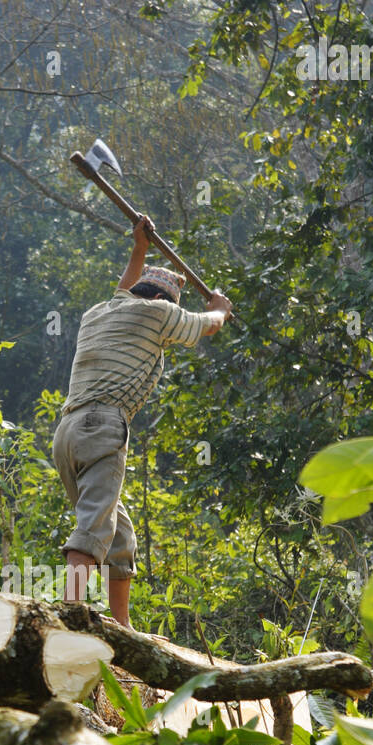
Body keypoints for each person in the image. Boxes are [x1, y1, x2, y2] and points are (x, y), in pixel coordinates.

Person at [52, 214, 232, 627]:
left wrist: (139, 247)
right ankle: (69, 614)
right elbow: (208, 326)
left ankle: (122, 626)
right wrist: (219, 309)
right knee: (94, 526)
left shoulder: (101, 311)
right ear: (163, 302)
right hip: (103, 427)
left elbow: (123, 286)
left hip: (67, 434)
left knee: (118, 532)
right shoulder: (157, 314)